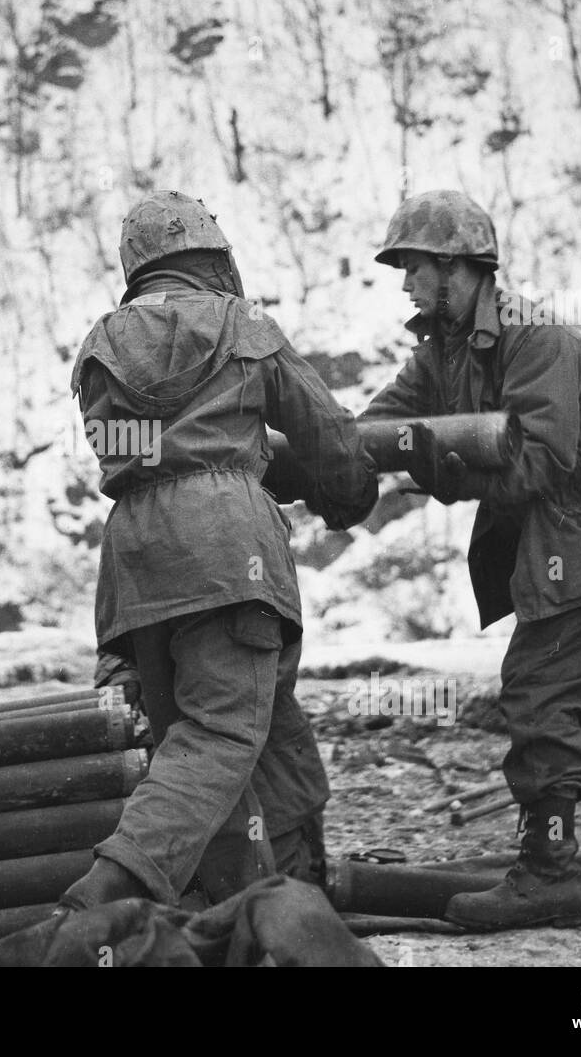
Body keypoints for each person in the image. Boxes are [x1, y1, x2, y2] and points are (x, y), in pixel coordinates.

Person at [361, 190, 581, 929]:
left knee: (537, 695)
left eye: (412, 268)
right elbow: (379, 426)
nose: (405, 284)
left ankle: (548, 873)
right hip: (580, 543)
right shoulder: (441, 350)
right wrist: (326, 458)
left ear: (456, 268)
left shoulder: (535, 336)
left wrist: (436, 472)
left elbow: (540, 461)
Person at [59, 190, 377, 911]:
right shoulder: (243, 325)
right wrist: (346, 491)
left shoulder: (101, 345)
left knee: (255, 726)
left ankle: (286, 889)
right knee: (222, 733)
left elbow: (137, 451)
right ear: (212, 258)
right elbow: (329, 437)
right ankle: (114, 884)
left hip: (138, 563)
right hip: (231, 552)